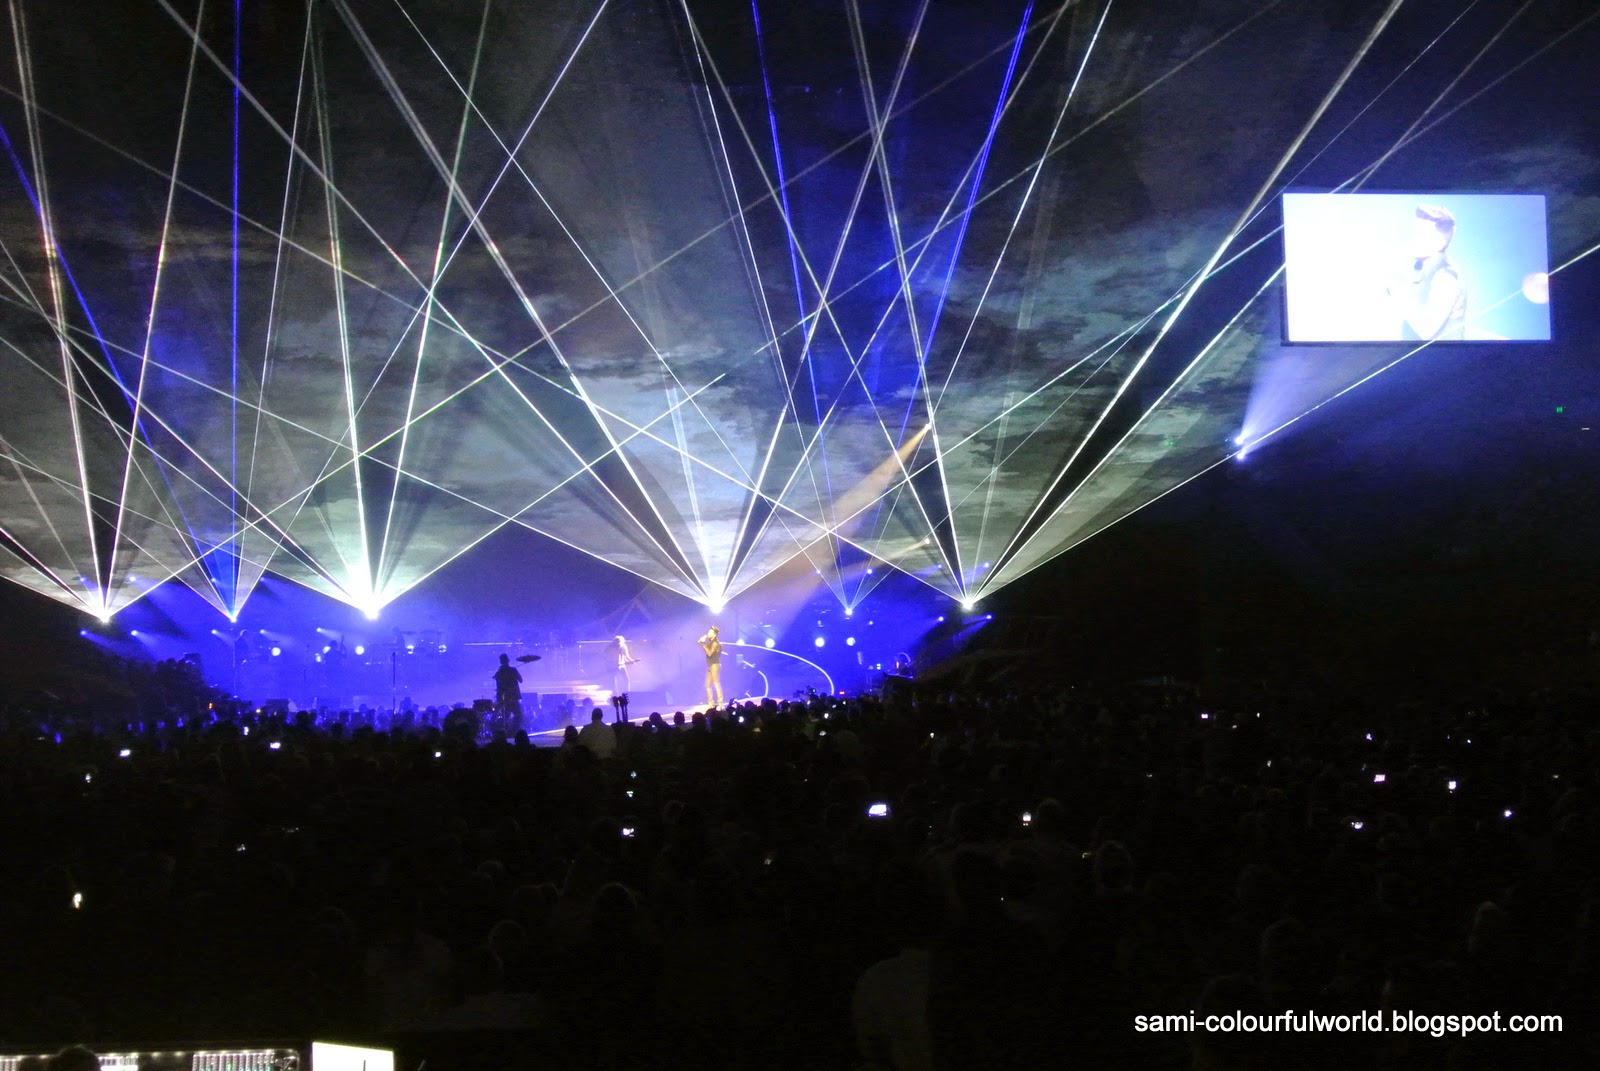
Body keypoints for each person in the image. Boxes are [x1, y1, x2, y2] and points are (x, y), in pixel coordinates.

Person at [1387, 203, 1466, 342]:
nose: (1412, 238)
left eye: (1420, 234)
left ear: (1439, 243)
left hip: (1442, 361)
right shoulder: (1420, 268)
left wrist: (1397, 289)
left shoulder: (1446, 278)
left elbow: (1426, 331)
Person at [493, 654, 523, 726]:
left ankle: (507, 730)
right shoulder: (512, 670)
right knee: (518, 715)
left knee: (505, 716)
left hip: (504, 698)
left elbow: (498, 686)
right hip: (513, 697)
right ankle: (514, 729)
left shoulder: (499, 673)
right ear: (508, 661)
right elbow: (521, 680)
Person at [698, 625, 724, 708]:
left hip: (714, 665)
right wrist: (703, 642)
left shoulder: (715, 643)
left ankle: (720, 703)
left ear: (714, 634)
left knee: (716, 683)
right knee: (707, 684)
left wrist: (703, 644)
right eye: (708, 631)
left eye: (710, 632)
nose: (708, 633)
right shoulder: (712, 642)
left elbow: (709, 653)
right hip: (710, 665)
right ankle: (710, 703)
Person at [610, 635, 635, 701]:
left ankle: (627, 693)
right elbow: (606, 656)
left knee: (626, 680)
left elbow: (626, 656)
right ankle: (615, 695)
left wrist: (631, 661)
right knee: (614, 680)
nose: (617, 644)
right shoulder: (611, 647)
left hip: (622, 666)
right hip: (614, 665)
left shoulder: (623, 646)